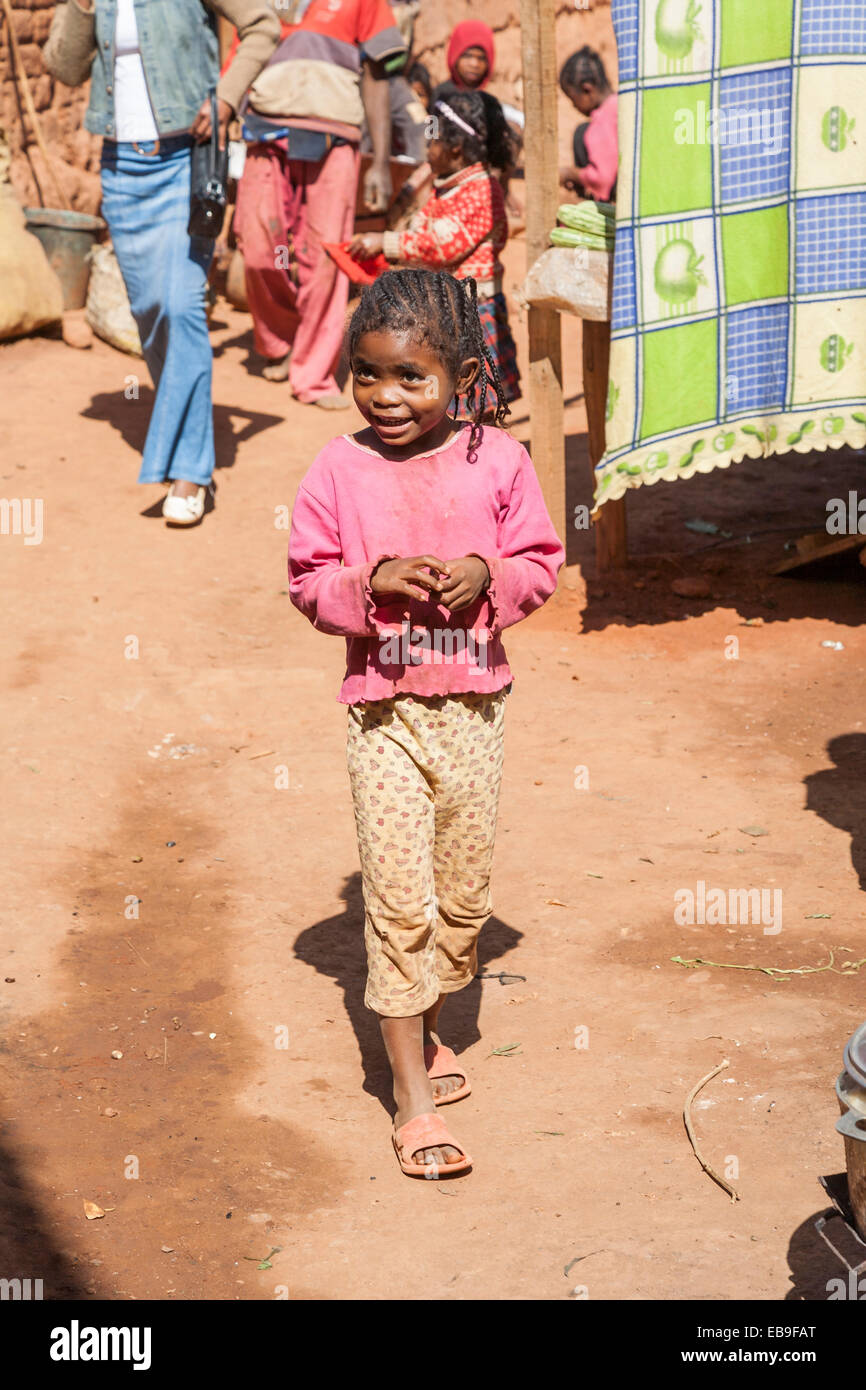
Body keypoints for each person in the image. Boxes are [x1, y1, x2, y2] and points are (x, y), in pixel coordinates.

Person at [288, 268, 563, 1176]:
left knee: (461, 901)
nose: (388, 396)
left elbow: (538, 560)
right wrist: (369, 586)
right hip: (385, 716)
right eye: (369, 375)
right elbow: (307, 580)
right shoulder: (338, 467)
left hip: (476, 712)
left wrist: (490, 571)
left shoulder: (499, 459)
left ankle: (435, 1033)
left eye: (412, 377)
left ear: (463, 373)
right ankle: (409, 1101)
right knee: (399, 906)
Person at [42, 0, 279, 527]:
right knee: (151, 310)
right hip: (122, 169)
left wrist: (226, 96)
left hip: (185, 158)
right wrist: (81, 8)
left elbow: (263, 24)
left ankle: (192, 470)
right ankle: (186, 438)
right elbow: (62, 66)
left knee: (181, 305)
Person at [232, 0, 406, 407]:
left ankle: (313, 373)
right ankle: (286, 338)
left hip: (335, 139)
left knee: (325, 256)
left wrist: (379, 161)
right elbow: (237, 55)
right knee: (260, 250)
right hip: (265, 131)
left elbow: (378, 74)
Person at [348, 90, 521, 411]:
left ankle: (488, 457)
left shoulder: (481, 189)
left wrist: (385, 242)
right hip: (448, 309)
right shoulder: (450, 185)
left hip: (475, 311)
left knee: (481, 404)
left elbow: (441, 247)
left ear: (455, 148)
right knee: (451, 404)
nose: (426, 150)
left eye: (432, 143)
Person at [559, 46, 618, 204]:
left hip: (618, 194)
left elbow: (603, 178)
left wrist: (571, 174)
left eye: (573, 99)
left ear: (587, 90)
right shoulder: (620, 103)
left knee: (581, 133)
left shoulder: (603, 118)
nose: (574, 106)